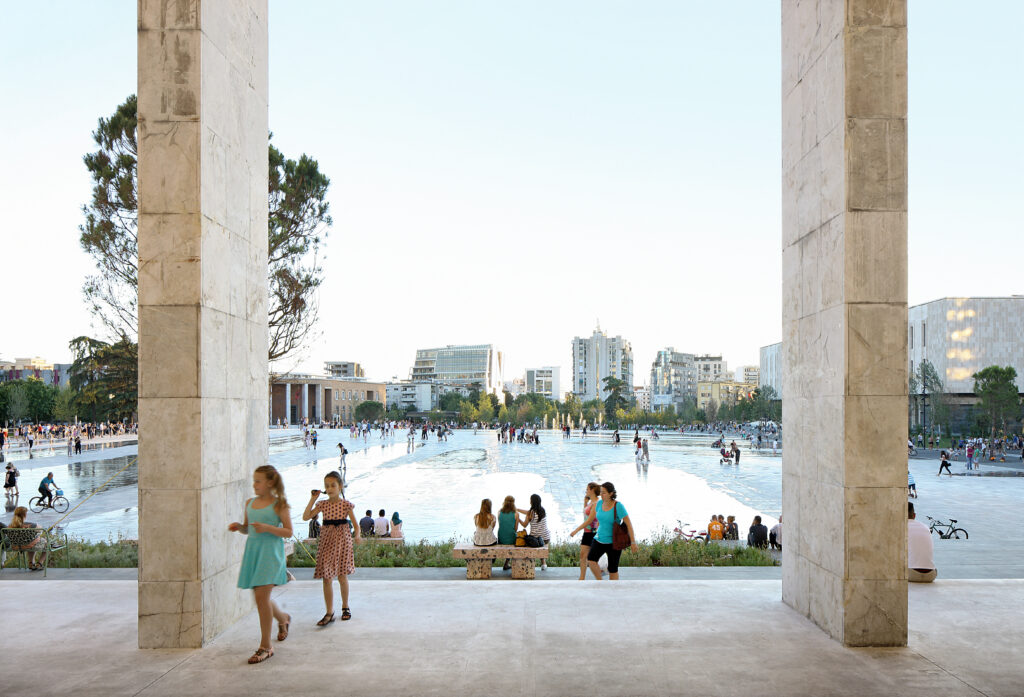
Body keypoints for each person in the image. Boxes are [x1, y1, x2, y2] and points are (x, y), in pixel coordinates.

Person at [228, 465, 292, 664]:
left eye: (258, 481)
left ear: (270, 483)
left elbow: (288, 532)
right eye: (254, 480)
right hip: (253, 553)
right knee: (260, 597)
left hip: (270, 554)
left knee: (261, 597)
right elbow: (249, 530)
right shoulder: (249, 503)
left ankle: (266, 647)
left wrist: (268, 528)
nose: (254, 484)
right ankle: (283, 619)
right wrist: (240, 527)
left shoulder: (279, 505)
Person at [302, 471, 360, 626]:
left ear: (340, 486)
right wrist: (312, 499)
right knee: (327, 577)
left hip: (342, 541)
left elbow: (355, 525)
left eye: (333, 485)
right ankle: (329, 611)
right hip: (327, 541)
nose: (330, 488)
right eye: (327, 486)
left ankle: (345, 606)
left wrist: (358, 535)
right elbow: (306, 516)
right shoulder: (322, 504)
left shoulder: (346, 504)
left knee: (342, 575)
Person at [569, 481, 639, 581]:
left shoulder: (618, 506)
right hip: (599, 539)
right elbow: (597, 518)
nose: (601, 494)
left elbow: (629, 524)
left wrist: (633, 542)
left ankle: (613, 590)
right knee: (591, 560)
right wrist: (598, 525)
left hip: (614, 542)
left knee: (613, 569)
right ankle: (600, 581)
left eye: (604, 493)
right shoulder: (599, 503)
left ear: (611, 493)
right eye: (601, 492)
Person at [576, 482, 601, 580]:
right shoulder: (590, 503)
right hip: (587, 532)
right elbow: (585, 516)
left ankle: (599, 578)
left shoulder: (597, 503)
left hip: (594, 532)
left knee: (593, 558)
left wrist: (576, 530)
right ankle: (582, 578)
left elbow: (590, 520)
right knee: (583, 556)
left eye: (587, 489)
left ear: (592, 490)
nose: (586, 491)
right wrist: (585, 503)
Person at [519, 493, 551, 571]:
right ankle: (543, 563)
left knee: (527, 540)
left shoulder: (531, 513)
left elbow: (524, 525)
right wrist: (518, 509)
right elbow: (528, 512)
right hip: (546, 538)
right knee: (540, 540)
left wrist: (518, 519)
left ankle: (529, 565)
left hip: (535, 539)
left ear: (532, 502)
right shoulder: (542, 510)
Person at [907, 502, 936, 583]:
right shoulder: (925, 527)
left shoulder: (899, 526)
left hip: (911, 574)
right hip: (931, 574)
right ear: (914, 515)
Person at [497, 495, 520, 571]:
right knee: (514, 537)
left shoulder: (499, 512)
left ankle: (506, 564)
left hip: (501, 539)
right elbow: (516, 529)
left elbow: (501, 525)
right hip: (511, 539)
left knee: (507, 534)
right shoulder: (516, 514)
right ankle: (507, 564)